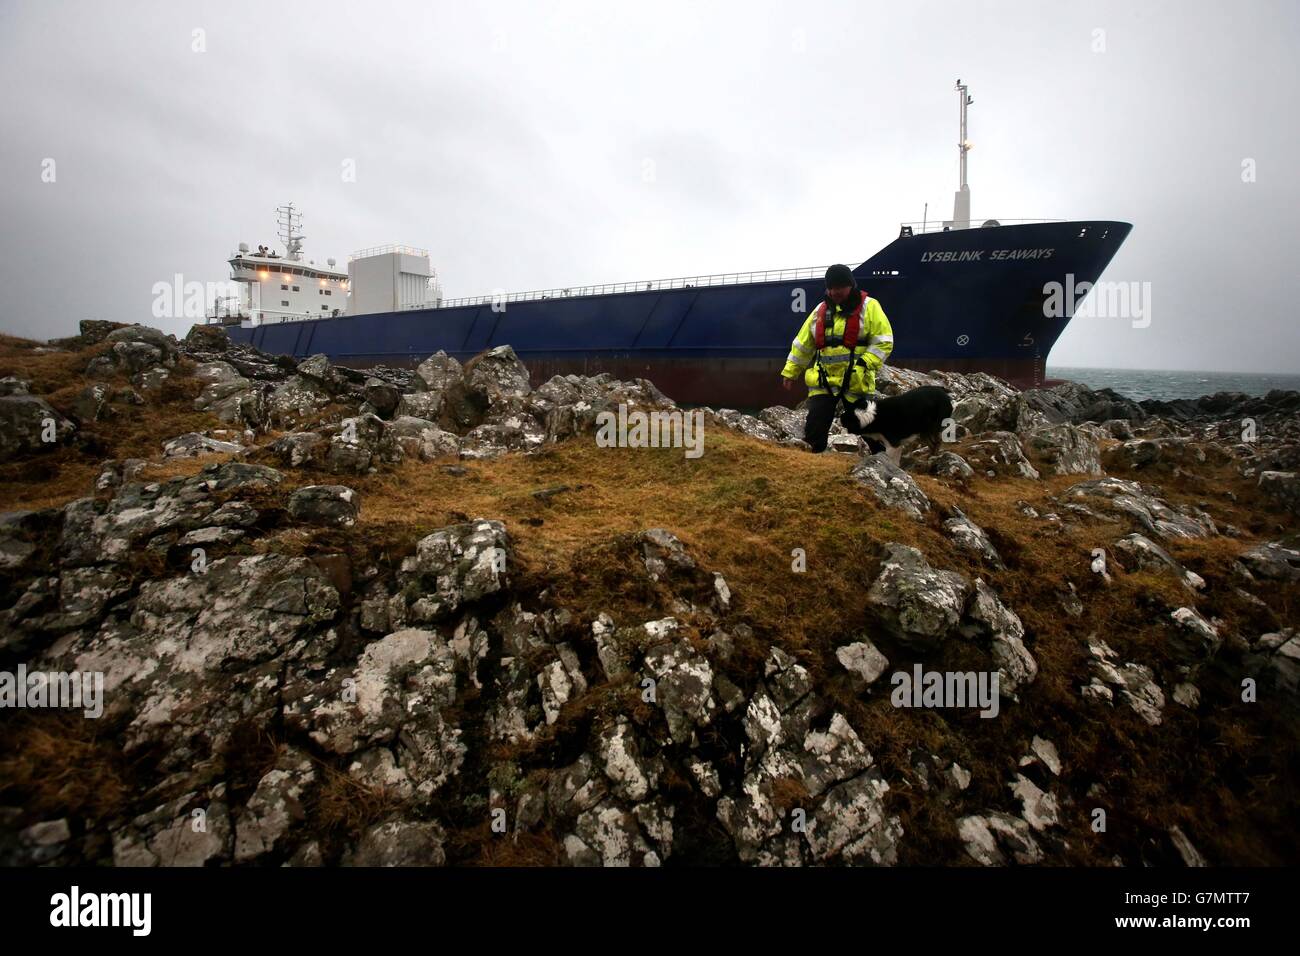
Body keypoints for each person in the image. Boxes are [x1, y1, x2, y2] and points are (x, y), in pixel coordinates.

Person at [780, 264, 894, 452]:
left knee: (869, 427)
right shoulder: (820, 311)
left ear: (850, 286)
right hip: (824, 382)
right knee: (815, 427)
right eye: (831, 288)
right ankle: (813, 464)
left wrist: (865, 363)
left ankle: (882, 464)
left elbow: (884, 341)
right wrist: (791, 372)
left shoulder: (870, 306)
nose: (834, 292)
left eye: (839, 287)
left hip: (856, 380)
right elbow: (803, 344)